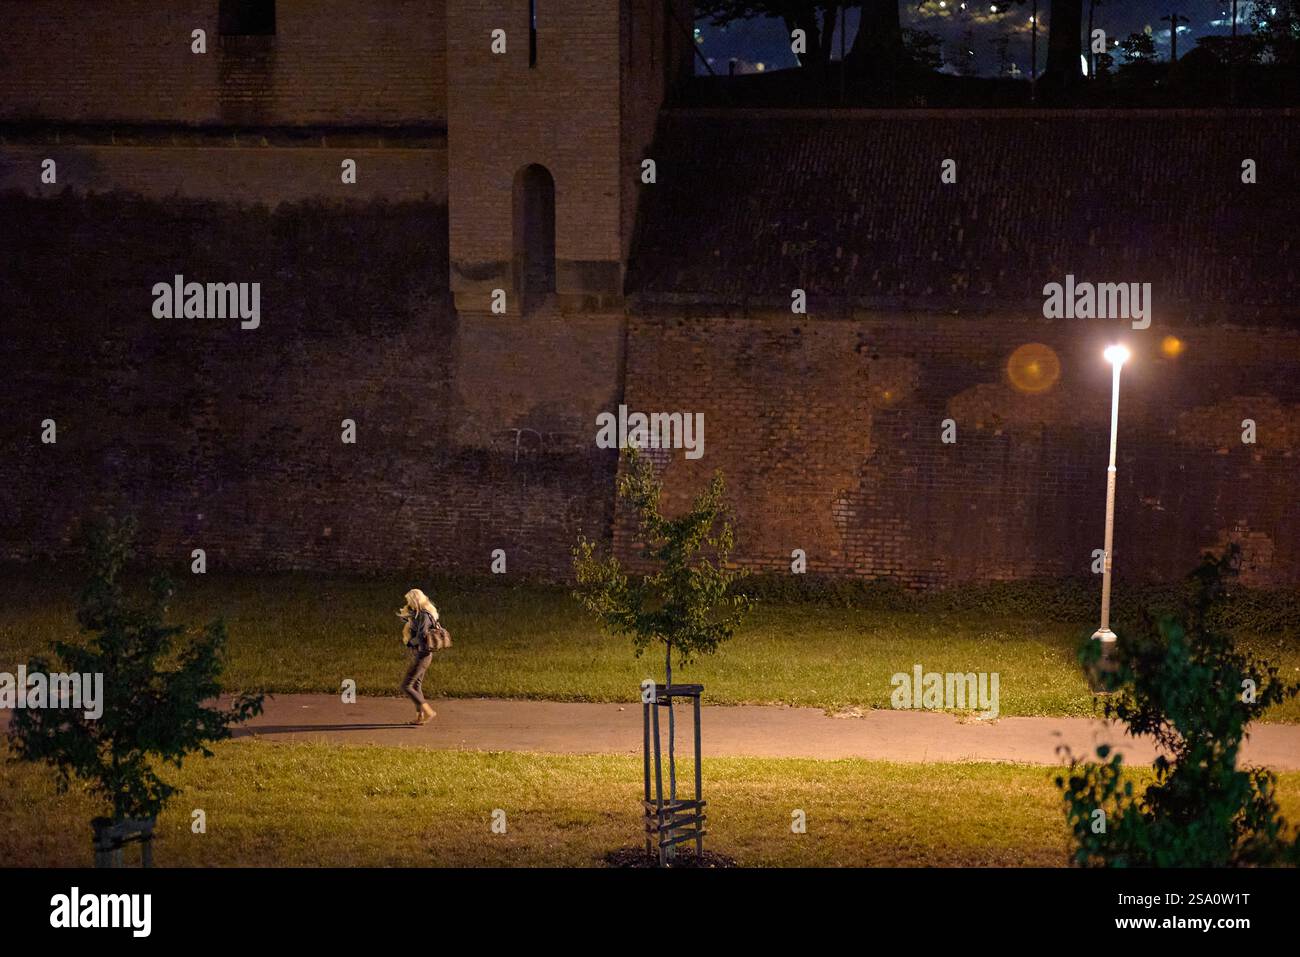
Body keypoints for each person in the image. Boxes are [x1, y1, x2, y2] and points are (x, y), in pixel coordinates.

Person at [397, 588, 441, 725]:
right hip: (422, 653)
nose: (408, 603)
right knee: (416, 685)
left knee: (406, 685)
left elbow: (421, 635)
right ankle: (419, 716)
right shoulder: (420, 614)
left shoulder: (423, 615)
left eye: (409, 600)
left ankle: (428, 711)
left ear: (414, 600)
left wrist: (410, 642)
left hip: (423, 655)